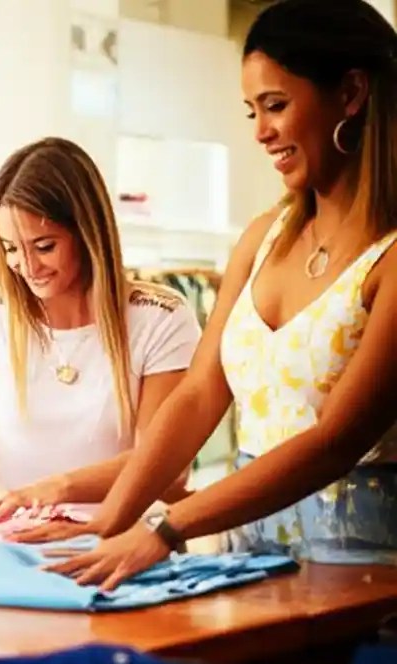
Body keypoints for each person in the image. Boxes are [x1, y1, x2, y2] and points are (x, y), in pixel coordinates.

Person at [43, 0, 397, 588]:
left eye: (276, 105)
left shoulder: (389, 256)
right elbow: (200, 393)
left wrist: (167, 527)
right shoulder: (265, 237)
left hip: (364, 572)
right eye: (252, 110)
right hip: (249, 556)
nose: (260, 131)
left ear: (352, 93)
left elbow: (336, 440)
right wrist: (111, 518)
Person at [0, 138, 202, 512]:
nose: (27, 267)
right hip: (16, 538)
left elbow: (166, 467)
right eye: (11, 248)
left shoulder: (160, 318)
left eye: (44, 246)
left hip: (120, 541)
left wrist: (52, 491)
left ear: (87, 232)